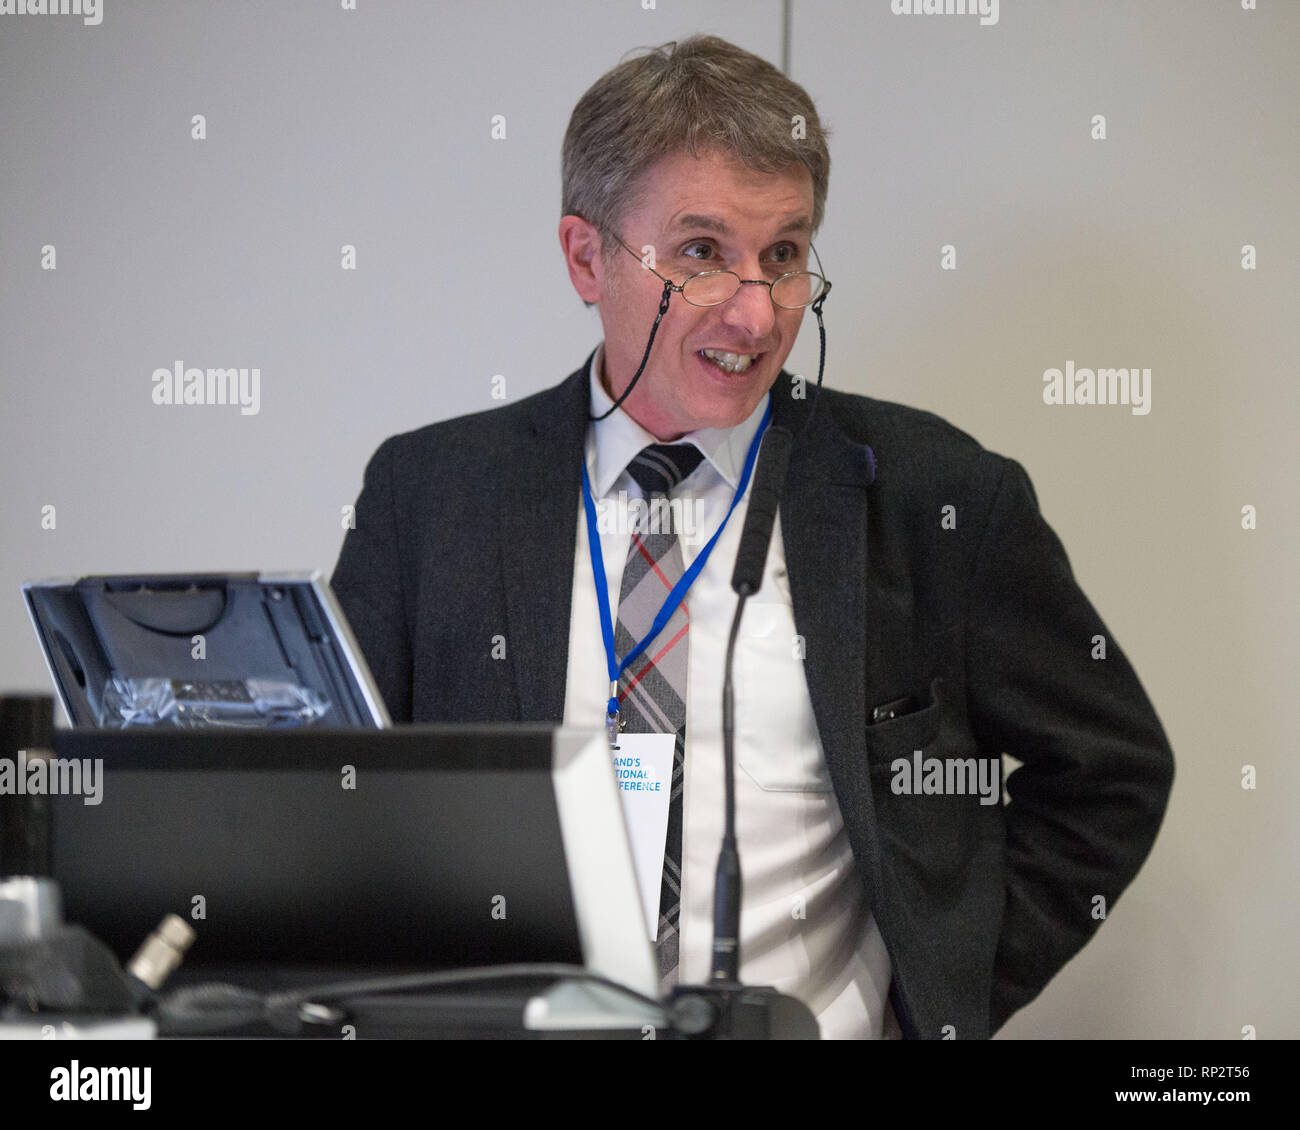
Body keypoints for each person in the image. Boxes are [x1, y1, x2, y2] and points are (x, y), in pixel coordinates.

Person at [331, 34, 1174, 1039]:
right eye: (701, 252)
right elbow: (338, 810)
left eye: (783, 254)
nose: (757, 308)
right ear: (586, 256)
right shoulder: (430, 496)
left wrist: (930, 995)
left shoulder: (934, 497)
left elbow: (1109, 771)